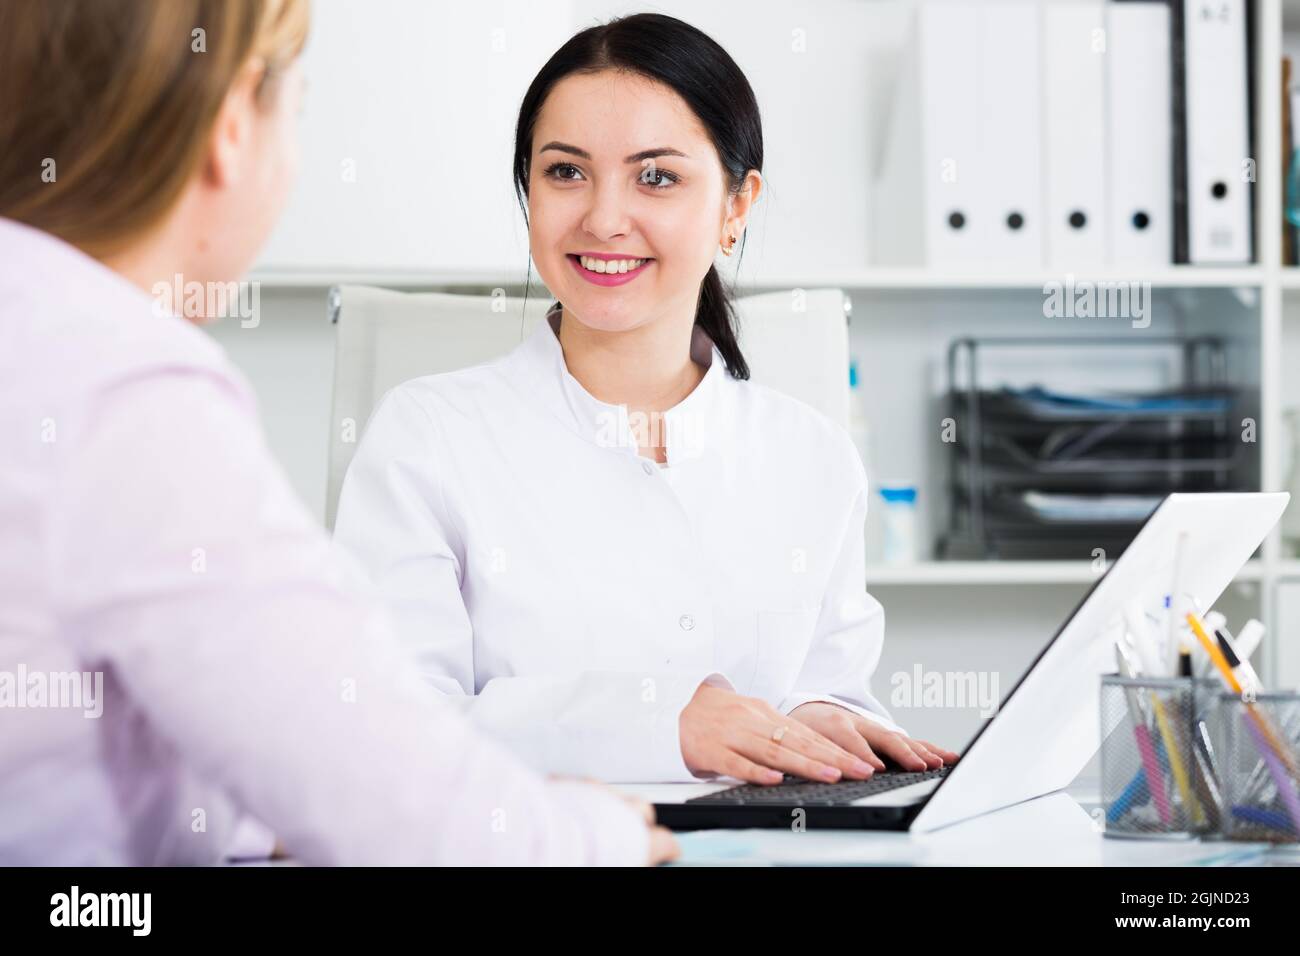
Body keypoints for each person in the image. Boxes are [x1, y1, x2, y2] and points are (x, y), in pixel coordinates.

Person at [0, 0, 673, 866]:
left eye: (654, 176)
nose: (606, 218)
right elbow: (402, 809)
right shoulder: (122, 393)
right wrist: (603, 834)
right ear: (236, 121)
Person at [333, 14, 959, 786]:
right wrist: (659, 725)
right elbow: (388, 730)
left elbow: (825, 681)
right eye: (565, 172)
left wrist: (815, 717)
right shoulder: (426, 437)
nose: (602, 218)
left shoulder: (813, 454)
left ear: (735, 206)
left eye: (656, 176)